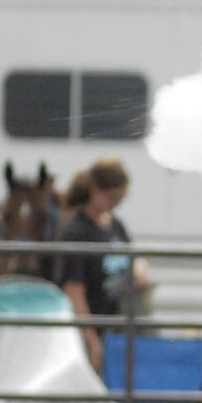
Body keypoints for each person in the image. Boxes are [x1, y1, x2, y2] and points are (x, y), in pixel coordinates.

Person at [55, 157, 148, 372]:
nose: (116, 203)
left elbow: (132, 257)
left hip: (117, 324)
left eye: (120, 198)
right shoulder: (77, 231)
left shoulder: (115, 225)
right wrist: (91, 338)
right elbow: (74, 290)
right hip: (94, 324)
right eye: (112, 197)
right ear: (95, 189)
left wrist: (139, 269)